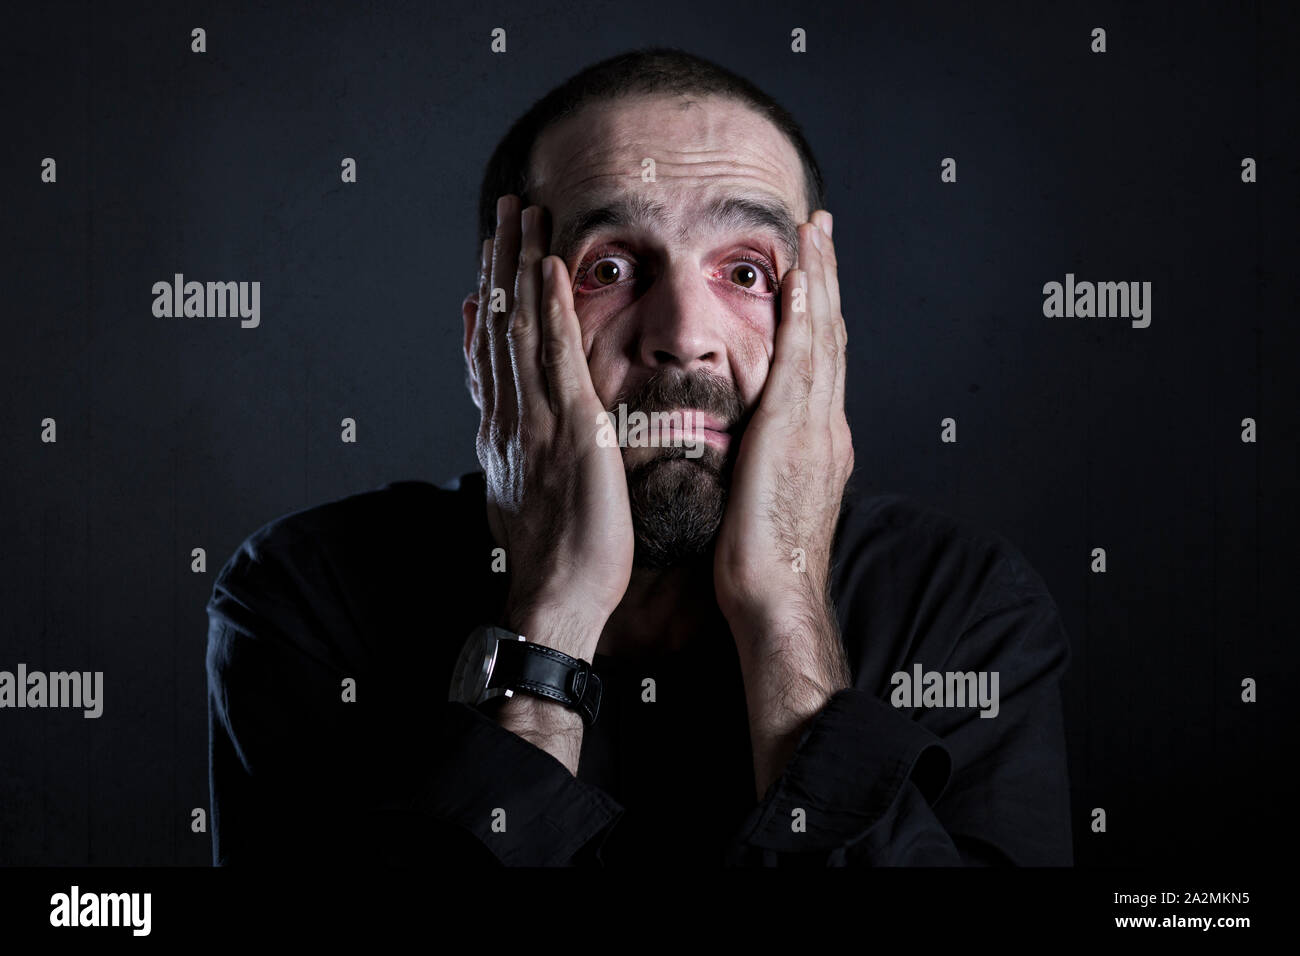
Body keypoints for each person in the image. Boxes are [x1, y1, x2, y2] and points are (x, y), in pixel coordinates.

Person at [206, 47, 1073, 867]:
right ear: (492, 345)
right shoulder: (307, 600)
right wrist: (553, 617)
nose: (685, 337)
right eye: (610, 267)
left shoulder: (962, 611)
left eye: (745, 275)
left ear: (823, 333)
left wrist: (785, 615)